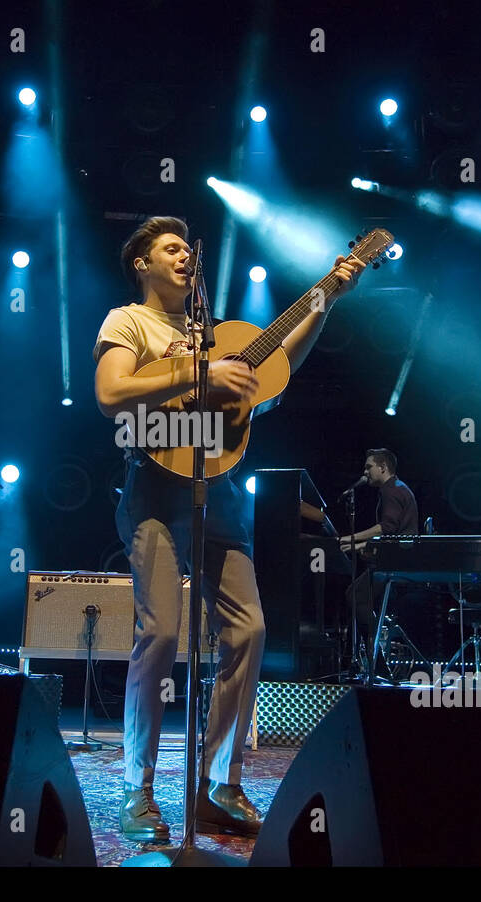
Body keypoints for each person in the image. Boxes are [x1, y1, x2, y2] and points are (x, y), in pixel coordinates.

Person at [93, 215, 364, 842]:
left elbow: (275, 368)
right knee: (160, 632)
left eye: (189, 247)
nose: (185, 255)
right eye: (170, 248)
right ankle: (138, 790)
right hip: (156, 491)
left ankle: (221, 782)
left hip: (222, 493)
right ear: (143, 264)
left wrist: (324, 301)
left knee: (250, 630)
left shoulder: (217, 333)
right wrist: (197, 374)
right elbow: (111, 395)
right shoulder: (128, 321)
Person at [341, 447, 419, 642]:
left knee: (355, 596)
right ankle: (377, 642)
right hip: (400, 559)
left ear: (383, 467)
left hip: (394, 562)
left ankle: (377, 643)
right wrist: (359, 546)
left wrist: (352, 538)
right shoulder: (398, 487)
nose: (365, 472)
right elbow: (391, 534)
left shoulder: (391, 491)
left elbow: (387, 528)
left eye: (369, 467)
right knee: (360, 597)